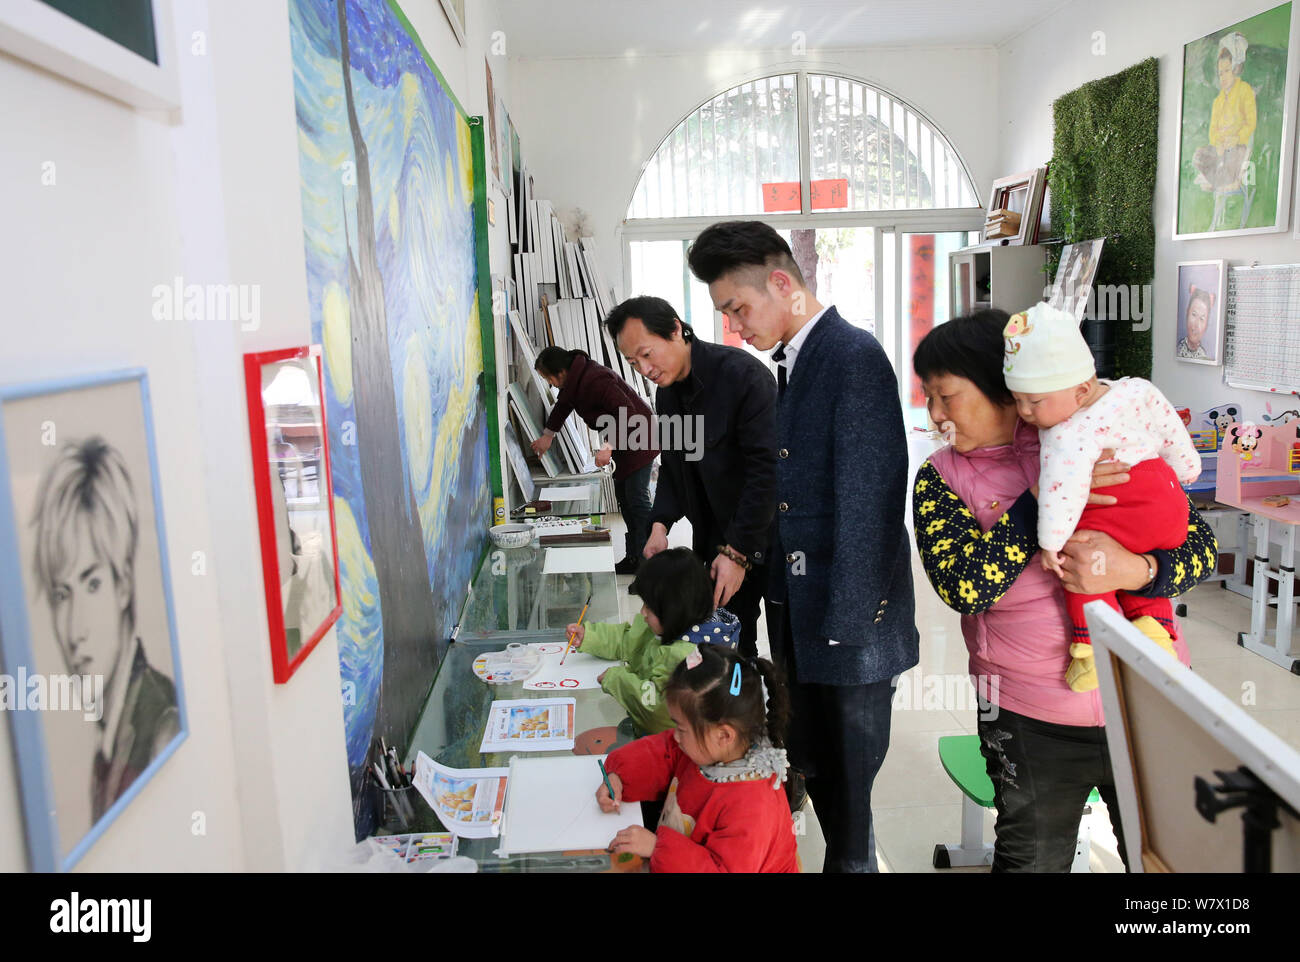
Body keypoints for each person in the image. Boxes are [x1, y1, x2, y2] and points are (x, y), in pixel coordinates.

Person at [913, 311, 1218, 872]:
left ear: (1007, 391)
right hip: (1029, 716)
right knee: (1032, 861)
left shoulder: (1105, 439)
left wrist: (1136, 570)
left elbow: (1197, 544)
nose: (934, 415)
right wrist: (1037, 500)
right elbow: (963, 586)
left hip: (1147, 698)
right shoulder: (941, 477)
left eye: (946, 397)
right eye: (929, 397)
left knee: (1173, 863)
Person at [686, 219, 918, 873]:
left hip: (848, 641)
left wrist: (843, 637)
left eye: (739, 307)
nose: (735, 326)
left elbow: (870, 506)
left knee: (849, 827)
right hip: (806, 627)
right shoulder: (797, 360)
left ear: (782, 283)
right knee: (819, 783)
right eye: (725, 313)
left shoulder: (851, 357)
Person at [1002, 302, 1201, 691]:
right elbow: (1171, 430)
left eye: (1034, 401)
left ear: (1080, 390)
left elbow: (1063, 491)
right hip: (1169, 503)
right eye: (1018, 400)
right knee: (1135, 554)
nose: (1025, 412)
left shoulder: (1066, 432)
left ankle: (1090, 651)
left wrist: (1051, 543)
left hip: (1122, 505)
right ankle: (1156, 631)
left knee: (1080, 558)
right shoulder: (1136, 389)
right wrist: (1187, 470)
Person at [606, 295, 777, 658]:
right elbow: (674, 466)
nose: (644, 368)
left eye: (647, 354)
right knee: (727, 645)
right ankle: (734, 708)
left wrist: (738, 553)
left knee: (787, 654)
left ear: (676, 330)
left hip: (767, 537)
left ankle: (779, 713)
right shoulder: (668, 397)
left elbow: (767, 473)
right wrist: (660, 525)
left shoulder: (742, 377)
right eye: (634, 362)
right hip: (717, 541)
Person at [31, 437, 181, 822]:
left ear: (124, 583)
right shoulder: (109, 737)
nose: (75, 630)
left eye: (92, 583)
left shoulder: (161, 724)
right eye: (62, 594)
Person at [600, 644, 798, 872]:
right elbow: (667, 751)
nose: (675, 736)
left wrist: (657, 848)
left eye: (681, 728)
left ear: (724, 735)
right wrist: (619, 776)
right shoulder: (710, 747)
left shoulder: (753, 807)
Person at [567, 547, 740, 736]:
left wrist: (617, 680)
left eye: (649, 606)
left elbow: (657, 710)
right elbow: (628, 639)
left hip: (668, 747)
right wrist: (589, 636)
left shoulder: (687, 659)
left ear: (672, 610)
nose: (642, 612)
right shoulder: (669, 624)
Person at [531, 346, 658, 574]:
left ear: (560, 372)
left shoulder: (595, 378)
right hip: (624, 440)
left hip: (641, 437)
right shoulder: (574, 382)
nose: (550, 383)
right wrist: (547, 436)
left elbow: (626, 413)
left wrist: (607, 446)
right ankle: (634, 558)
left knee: (637, 501)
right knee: (626, 501)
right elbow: (562, 406)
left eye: (548, 377)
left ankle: (649, 566)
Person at [1193, 32, 1256, 193]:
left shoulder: (1244, 91)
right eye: (1220, 73)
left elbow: (1251, 122)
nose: (1223, 77)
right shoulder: (1218, 101)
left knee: (1233, 158)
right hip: (1220, 148)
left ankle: (1223, 180)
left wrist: (1236, 139)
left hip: (1237, 146)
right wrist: (1217, 143)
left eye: (1227, 71)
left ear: (1235, 69)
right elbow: (1212, 130)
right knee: (1199, 155)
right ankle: (1218, 178)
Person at [1177, 288, 1214, 360]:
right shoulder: (1178, 349)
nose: (1196, 324)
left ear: (1206, 324)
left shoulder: (1204, 355)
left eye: (1202, 319)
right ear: (1187, 313)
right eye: (1194, 314)